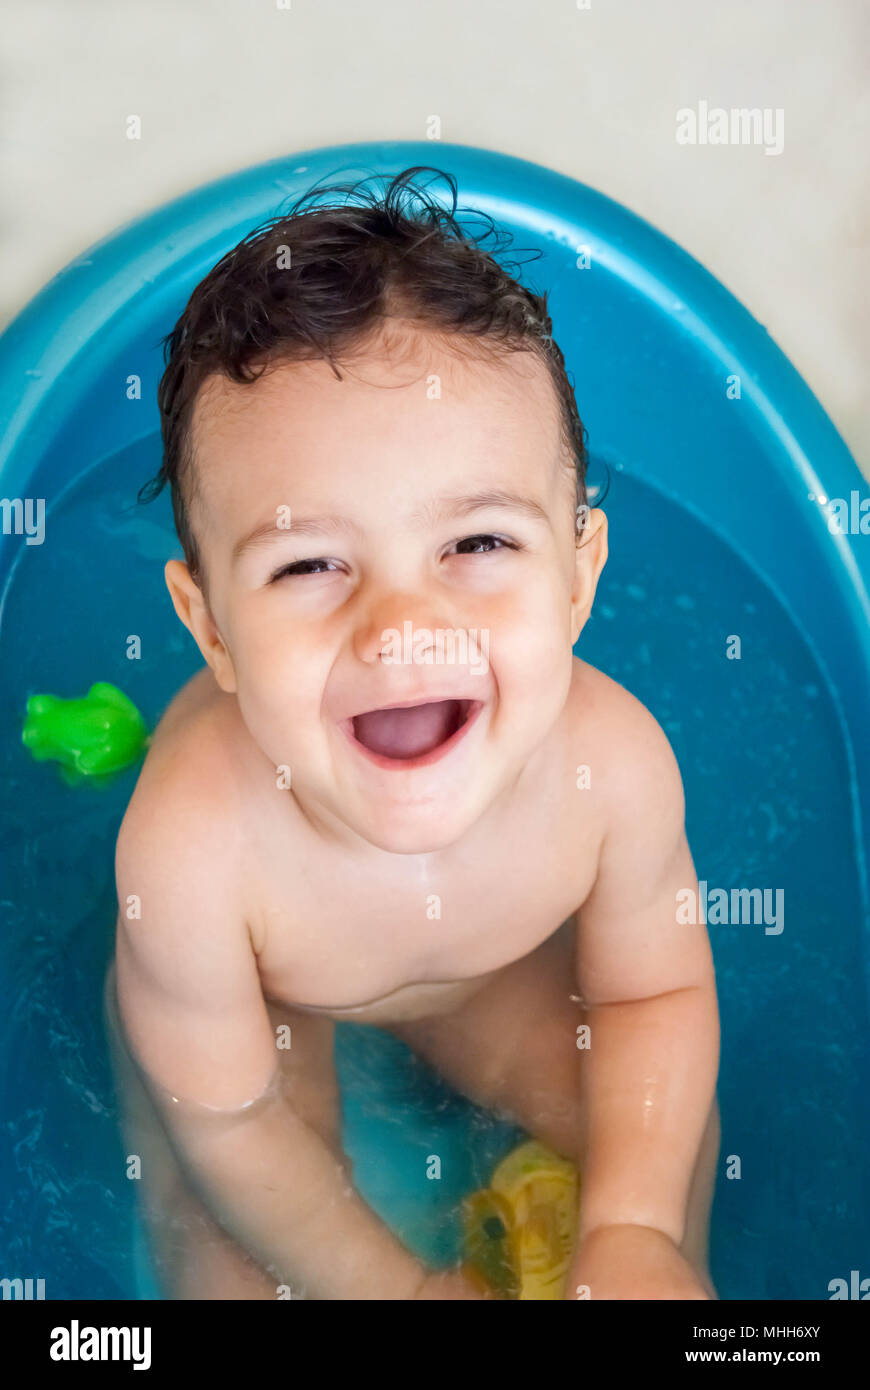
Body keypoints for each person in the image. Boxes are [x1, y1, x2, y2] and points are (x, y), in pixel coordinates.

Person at [104, 166, 720, 1300]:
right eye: (308, 563)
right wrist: (399, 1288)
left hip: (488, 981)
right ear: (212, 632)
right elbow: (231, 1118)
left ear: (577, 579)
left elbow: (655, 997)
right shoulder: (190, 847)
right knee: (219, 1243)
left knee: (645, 1164)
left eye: (477, 545)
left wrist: (633, 1226)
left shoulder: (615, 769)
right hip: (256, 1024)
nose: (402, 625)